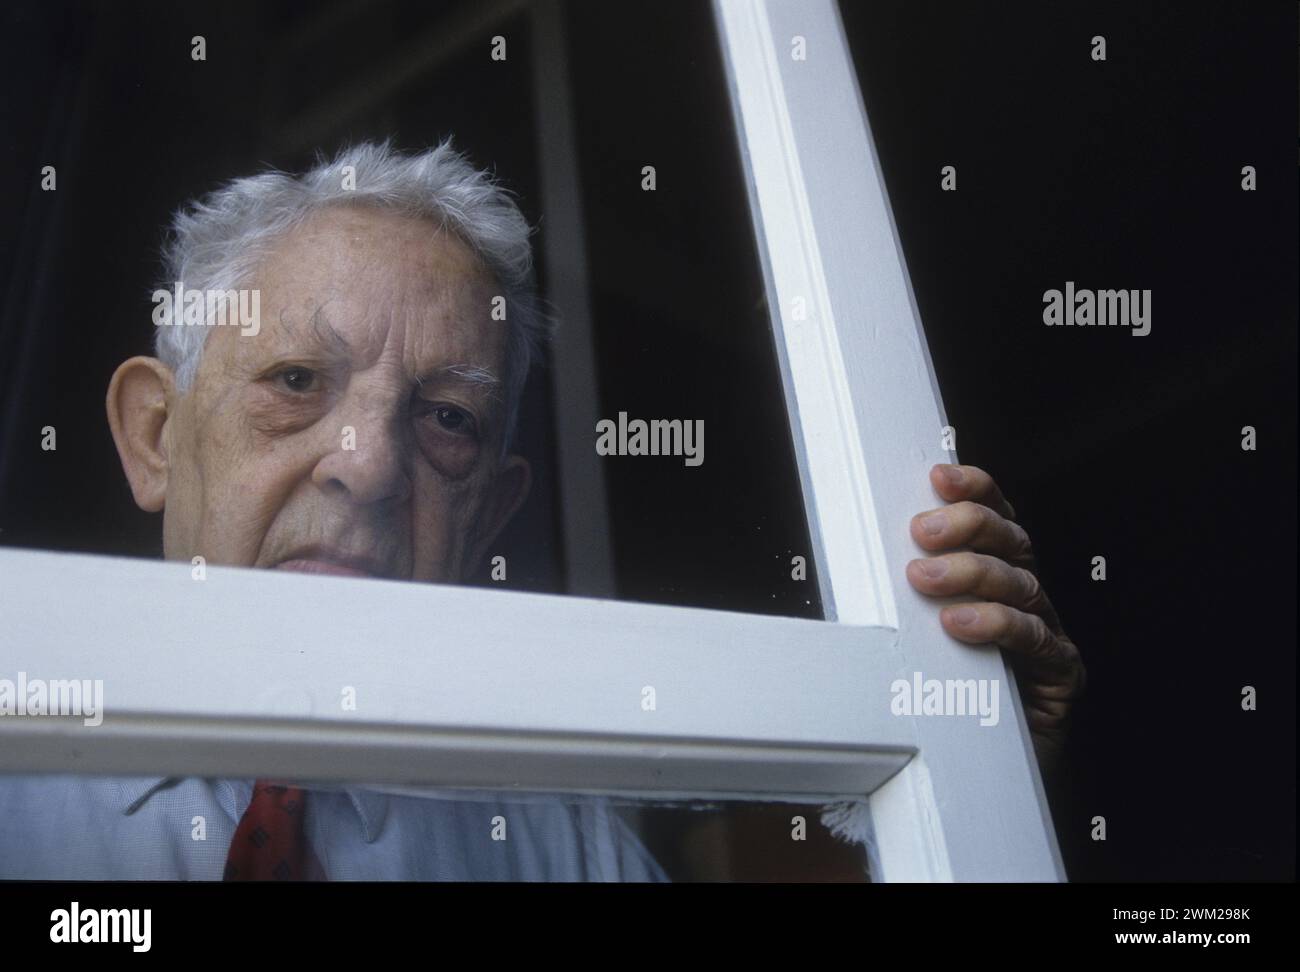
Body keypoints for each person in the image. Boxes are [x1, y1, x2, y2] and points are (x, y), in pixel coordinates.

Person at [0, 141, 1083, 880]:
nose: (369, 466)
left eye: (448, 421)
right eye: (294, 383)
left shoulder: (562, 850)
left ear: (491, 516)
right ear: (153, 436)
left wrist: (976, 769)